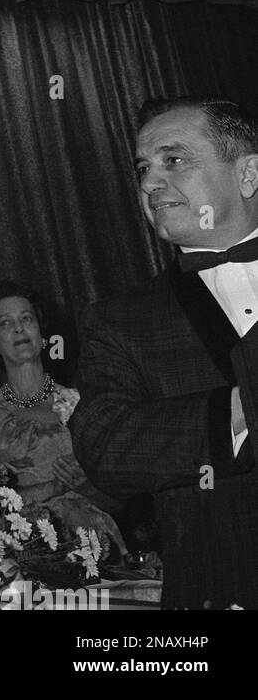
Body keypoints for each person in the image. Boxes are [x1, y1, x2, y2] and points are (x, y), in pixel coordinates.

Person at [72, 96, 258, 609]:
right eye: (143, 169)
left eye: (174, 160)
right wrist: (241, 411)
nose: (150, 183)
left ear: (247, 174)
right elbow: (105, 446)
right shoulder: (120, 319)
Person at [0, 281, 124, 555]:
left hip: (101, 549)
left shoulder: (80, 403)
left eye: (26, 318)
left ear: (42, 333)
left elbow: (122, 498)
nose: (19, 328)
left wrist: (85, 486)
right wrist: (54, 486)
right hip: (28, 553)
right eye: (5, 323)